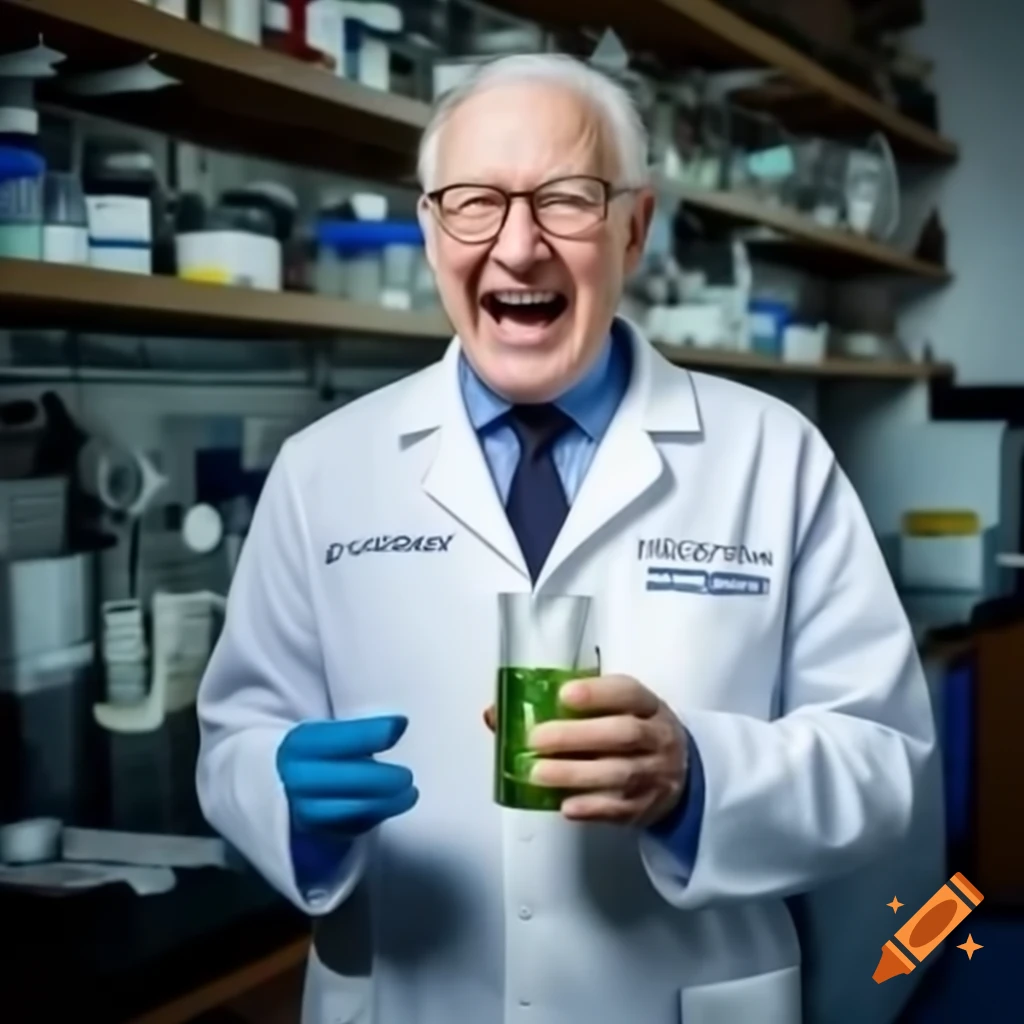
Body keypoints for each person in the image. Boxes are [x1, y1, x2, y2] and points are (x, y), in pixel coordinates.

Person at [196, 53, 936, 1024]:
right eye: (473, 202)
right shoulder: (323, 467)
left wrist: (697, 775)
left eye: (566, 200)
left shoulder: (772, 455)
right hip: (409, 995)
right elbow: (232, 742)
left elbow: (883, 759)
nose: (517, 247)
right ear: (428, 228)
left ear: (634, 226)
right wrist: (280, 799)